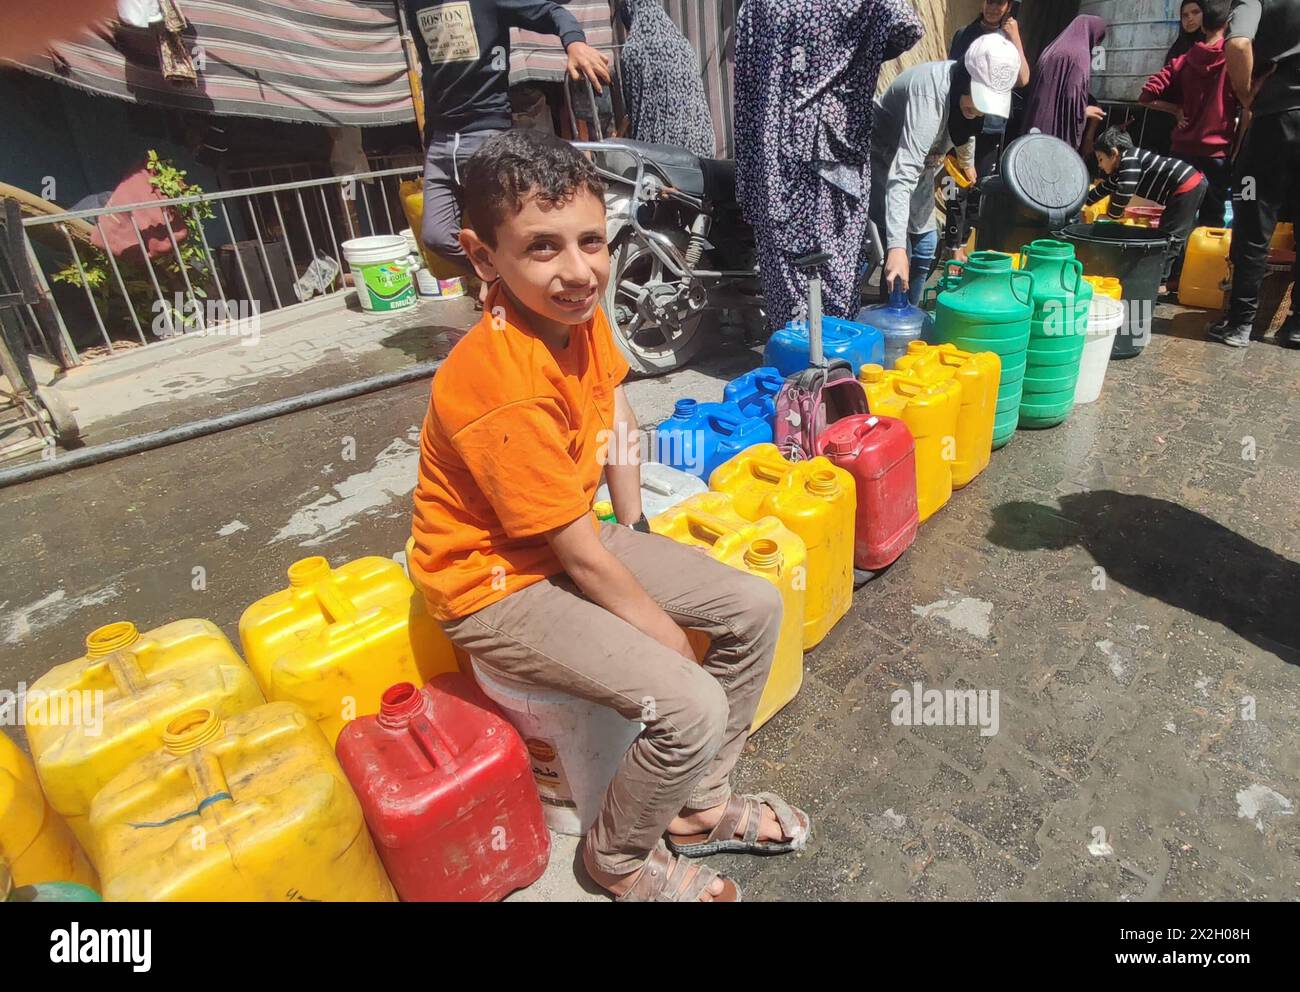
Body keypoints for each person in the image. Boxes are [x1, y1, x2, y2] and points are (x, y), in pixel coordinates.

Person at [408, 129, 811, 903]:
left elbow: (616, 416)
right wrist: (662, 639)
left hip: (576, 537)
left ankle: (698, 809)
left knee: (756, 605)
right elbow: (582, 559)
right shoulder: (499, 380)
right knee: (686, 697)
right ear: (483, 257)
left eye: (592, 241)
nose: (577, 270)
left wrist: (637, 527)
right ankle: (618, 859)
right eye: (542, 248)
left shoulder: (576, 310)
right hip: (492, 586)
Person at [734, 0, 924, 332]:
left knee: (791, 281)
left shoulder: (754, 6)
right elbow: (906, 26)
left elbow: (746, 92)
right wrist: (853, 60)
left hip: (775, 159)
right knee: (832, 278)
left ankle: (798, 370)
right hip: (829, 156)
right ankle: (832, 375)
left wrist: (749, 178)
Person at [405, 0, 612, 280]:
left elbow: (553, 12)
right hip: (441, 139)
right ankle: (502, 280)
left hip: (486, 132)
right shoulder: (414, 4)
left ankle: (520, 288)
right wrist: (430, 140)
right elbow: (428, 73)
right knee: (436, 236)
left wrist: (574, 44)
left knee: (511, 228)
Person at [869, 33, 1023, 298]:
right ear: (965, 78)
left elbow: (966, 130)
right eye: (976, 102)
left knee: (926, 246)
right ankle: (890, 322)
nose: (977, 111)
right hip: (886, 162)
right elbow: (903, 171)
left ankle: (909, 313)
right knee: (900, 249)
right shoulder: (931, 97)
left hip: (924, 166)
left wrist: (967, 164)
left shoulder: (964, 103)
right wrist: (895, 248)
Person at [1207, 0, 1300, 349]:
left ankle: (1240, 323)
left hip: (1274, 124)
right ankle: (1296, 326)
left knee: (1251, 219)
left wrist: (1247, 96)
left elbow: (1238, 42)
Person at [1141, 0, 1241, 228]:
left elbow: (1146, 95)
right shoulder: (1234, 59)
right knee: (1212, 219)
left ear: (1203, 26)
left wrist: (1176, 109)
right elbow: (1246, 97)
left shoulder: (1182, 60)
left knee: (1176, 216)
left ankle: (1171, 262)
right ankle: (1202, 262)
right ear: (1227, 24)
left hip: (1182, 151)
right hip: (1216, 152)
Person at [1086, 127, 1208, 291]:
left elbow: (1125, 190)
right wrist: (1084, 201)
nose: (1100, 166)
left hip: (1187, 186)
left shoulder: (1129, 160)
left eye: (1100, 159)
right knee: (1170, 232)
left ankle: (1160, 283)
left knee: (1172, 236)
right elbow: (1104, 189)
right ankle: (1169, 277)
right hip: (1187, 185)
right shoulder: (1122, 168)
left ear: (1114, 153)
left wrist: (1112, 216)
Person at [616, 0, 716, 158]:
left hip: (662, 156)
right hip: (701, 148)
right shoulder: (682, 44)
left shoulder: (633, 50)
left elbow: (633, 106)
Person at [948, 0, 1032, 177]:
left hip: (991, 123)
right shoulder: (965, 34)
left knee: (982, 181)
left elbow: (1023, 79)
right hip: (963, 118)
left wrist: (1015, 38)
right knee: (955, 181)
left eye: (999, 3)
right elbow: (952, 77)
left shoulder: (1008, 39)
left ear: (1008, 7)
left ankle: (974, 205)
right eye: (989, 2)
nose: (993, 8)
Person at [1019, 14, 1108, 155]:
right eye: (1097, 41)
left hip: (1035, 122)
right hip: (1054, 132)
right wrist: (1084, 112)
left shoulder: (1052, 49)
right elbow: (1072, 94)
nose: (1095, 46)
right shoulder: (1080, 56)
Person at [1165, 0, 1209, 66]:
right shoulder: (1176, 51)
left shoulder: (1213, 46)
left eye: (1195, 12)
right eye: (1185, 15)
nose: (1190, 18)